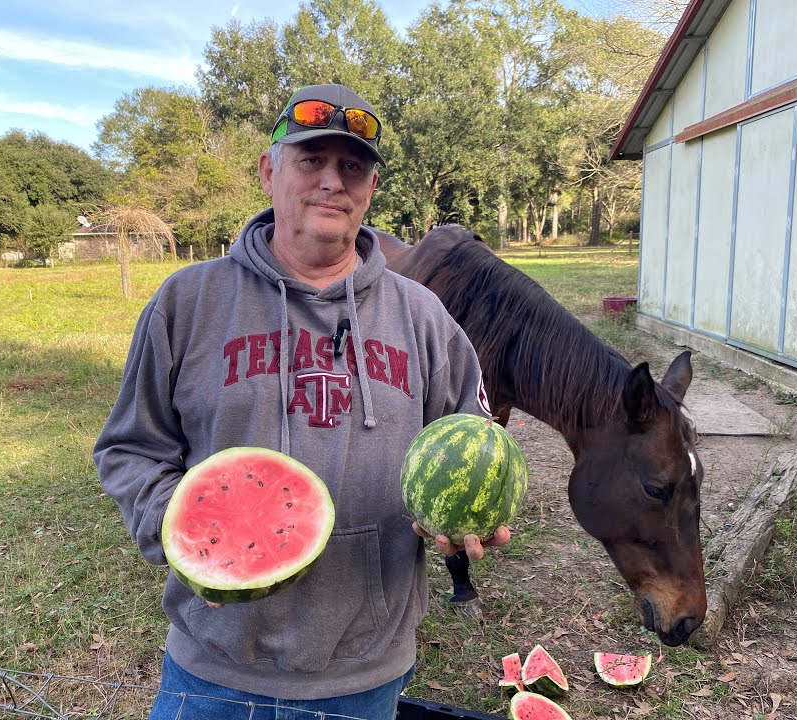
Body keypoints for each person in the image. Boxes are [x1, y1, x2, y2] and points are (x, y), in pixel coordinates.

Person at [93, 83, 512, 720]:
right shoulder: (187, 304)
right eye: (311, 160)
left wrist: (463, 523)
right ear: (269, 171)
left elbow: (470, 440)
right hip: (213, 671)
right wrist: (188, 536)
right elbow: (130, 448)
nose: (332, 182)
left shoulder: (423, 318)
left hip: (366, 669)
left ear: (370, 186)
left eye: (352, 167)